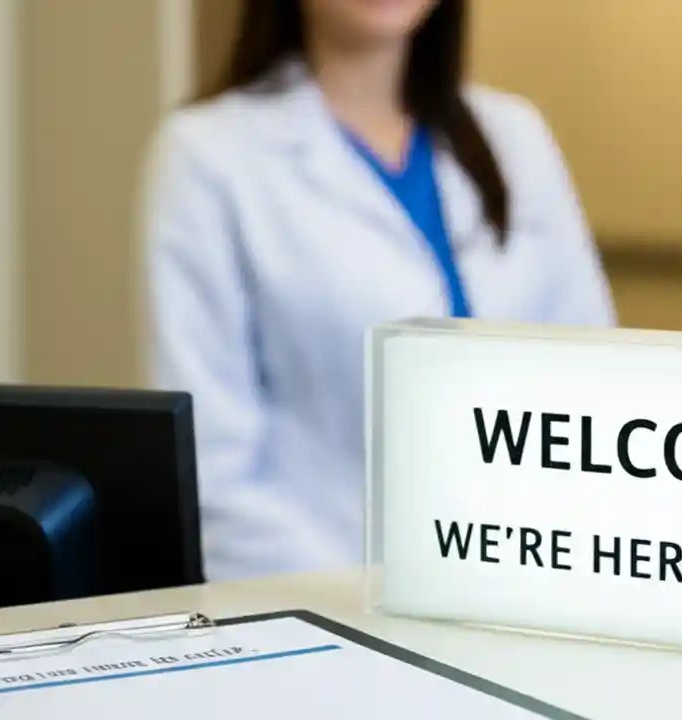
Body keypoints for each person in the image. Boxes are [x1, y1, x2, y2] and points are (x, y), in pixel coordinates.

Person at [145, 0, 614, 581]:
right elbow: (211, 468)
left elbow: (598, 390)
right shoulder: (211, 154)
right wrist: (364, 607)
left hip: (531, 588)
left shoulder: (514, 134)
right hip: (323, 602)